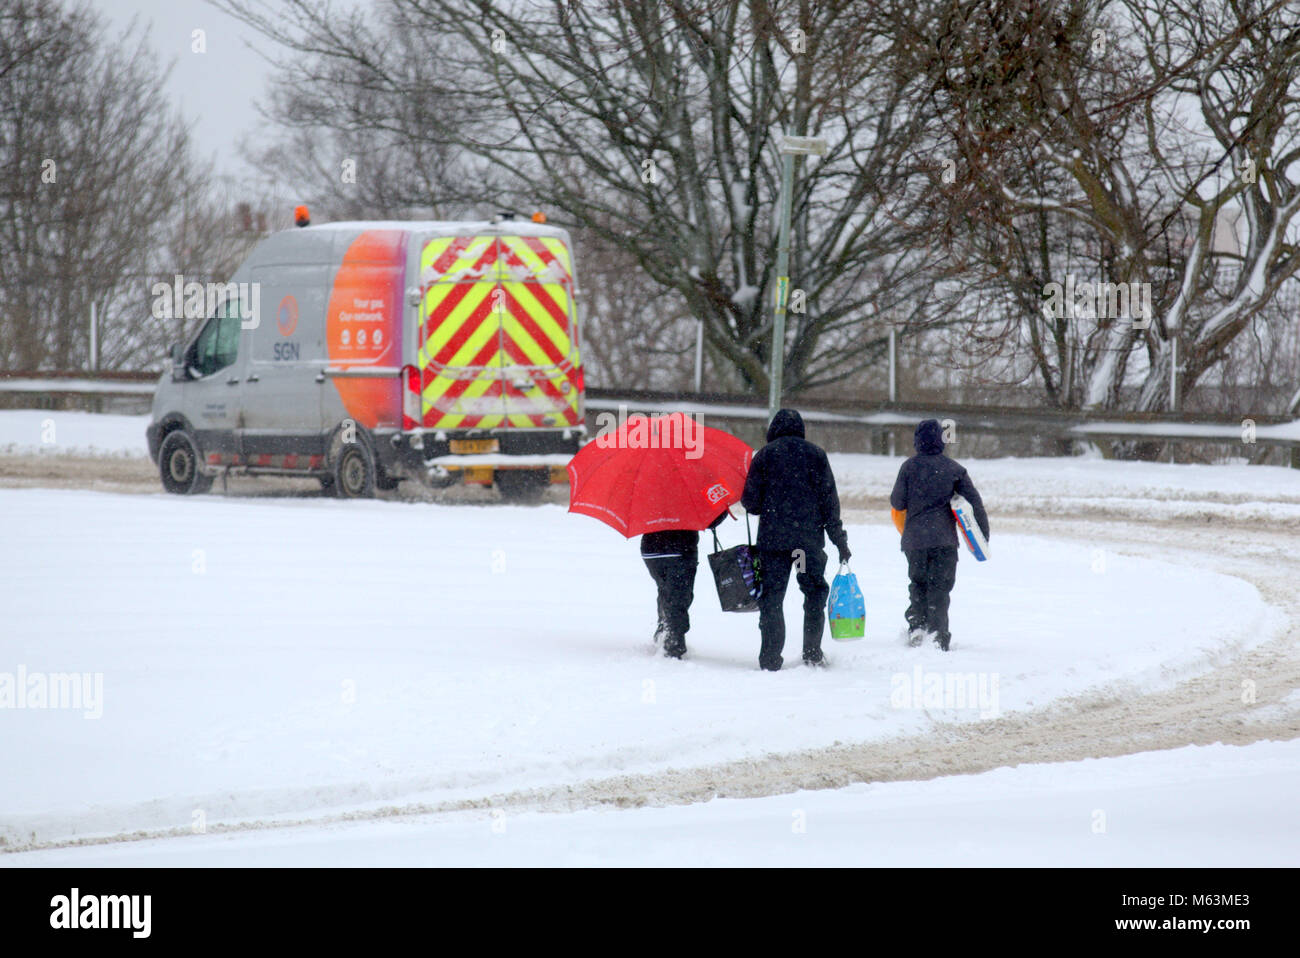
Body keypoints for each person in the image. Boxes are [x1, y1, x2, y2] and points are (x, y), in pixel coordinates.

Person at [741, 408, 850, 671]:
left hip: (774, 545)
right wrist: (840, 541)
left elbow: (751, 503)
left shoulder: (765, 456)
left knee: (772, 599)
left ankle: (770, 659)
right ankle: (812, 653)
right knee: (813, 594)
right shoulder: (816, 455)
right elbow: (829, 504)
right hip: (806, 545)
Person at [889, 419, 990, 651]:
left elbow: (897, 502)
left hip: (914, 540)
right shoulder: (955, 469)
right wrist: (983, 537)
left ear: (917, 441)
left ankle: (917, 627)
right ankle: (938, 635)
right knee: (940, 587)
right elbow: (975, 505)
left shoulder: (908, 467)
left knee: (918, 583)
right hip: (944, 540)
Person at [641, 509, 729, 659]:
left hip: (651, 550)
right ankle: (673, 646)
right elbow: (712, 520)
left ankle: (664, 629)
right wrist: (723, 509)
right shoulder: (691, 488)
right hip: (680, 549)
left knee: (666, 590)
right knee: (679, 597)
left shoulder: (648, 488)